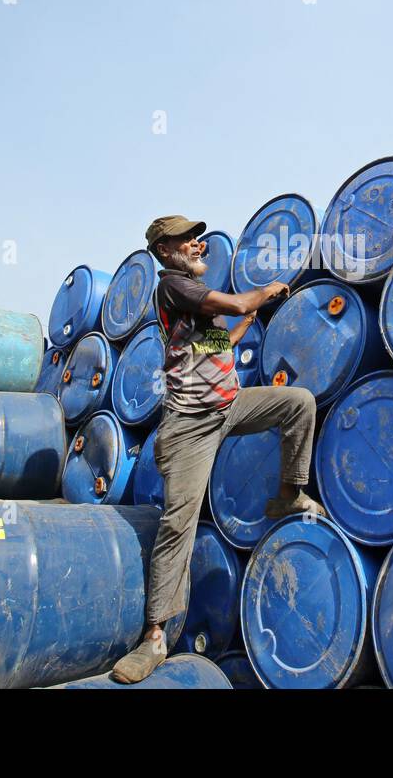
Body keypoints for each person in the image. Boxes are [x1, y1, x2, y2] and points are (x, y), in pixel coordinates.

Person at [110, 214, 324, 684]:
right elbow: (240, 297)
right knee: (178, 525)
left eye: (198, 237)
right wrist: (264, 293)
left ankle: (289, 493)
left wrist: (248, 319)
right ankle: (154, 639)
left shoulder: (193, 310)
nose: (198, 244)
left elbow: (220, 342)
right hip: (189, 426)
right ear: (166, 251)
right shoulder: (173, 287)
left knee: (298, 404)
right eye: (188, 239)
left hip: (228, 406)